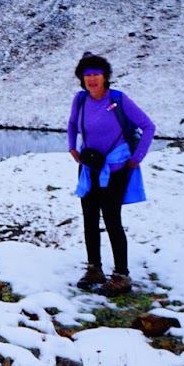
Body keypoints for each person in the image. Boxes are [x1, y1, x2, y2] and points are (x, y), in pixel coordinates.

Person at [66, 53, 155, 295]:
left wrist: (137, 159)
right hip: (89, 165)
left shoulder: (119, 99)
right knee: (89, 218)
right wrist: (72, 147)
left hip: (116, 168)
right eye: (87, 75)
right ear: (82, 79)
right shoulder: (81, 99)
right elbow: (73, 124)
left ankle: (121, 276)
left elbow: (148, 127)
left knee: (112, 219)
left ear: (105, 77)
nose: (92, 79)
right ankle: (94, 269)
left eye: (96, 74)